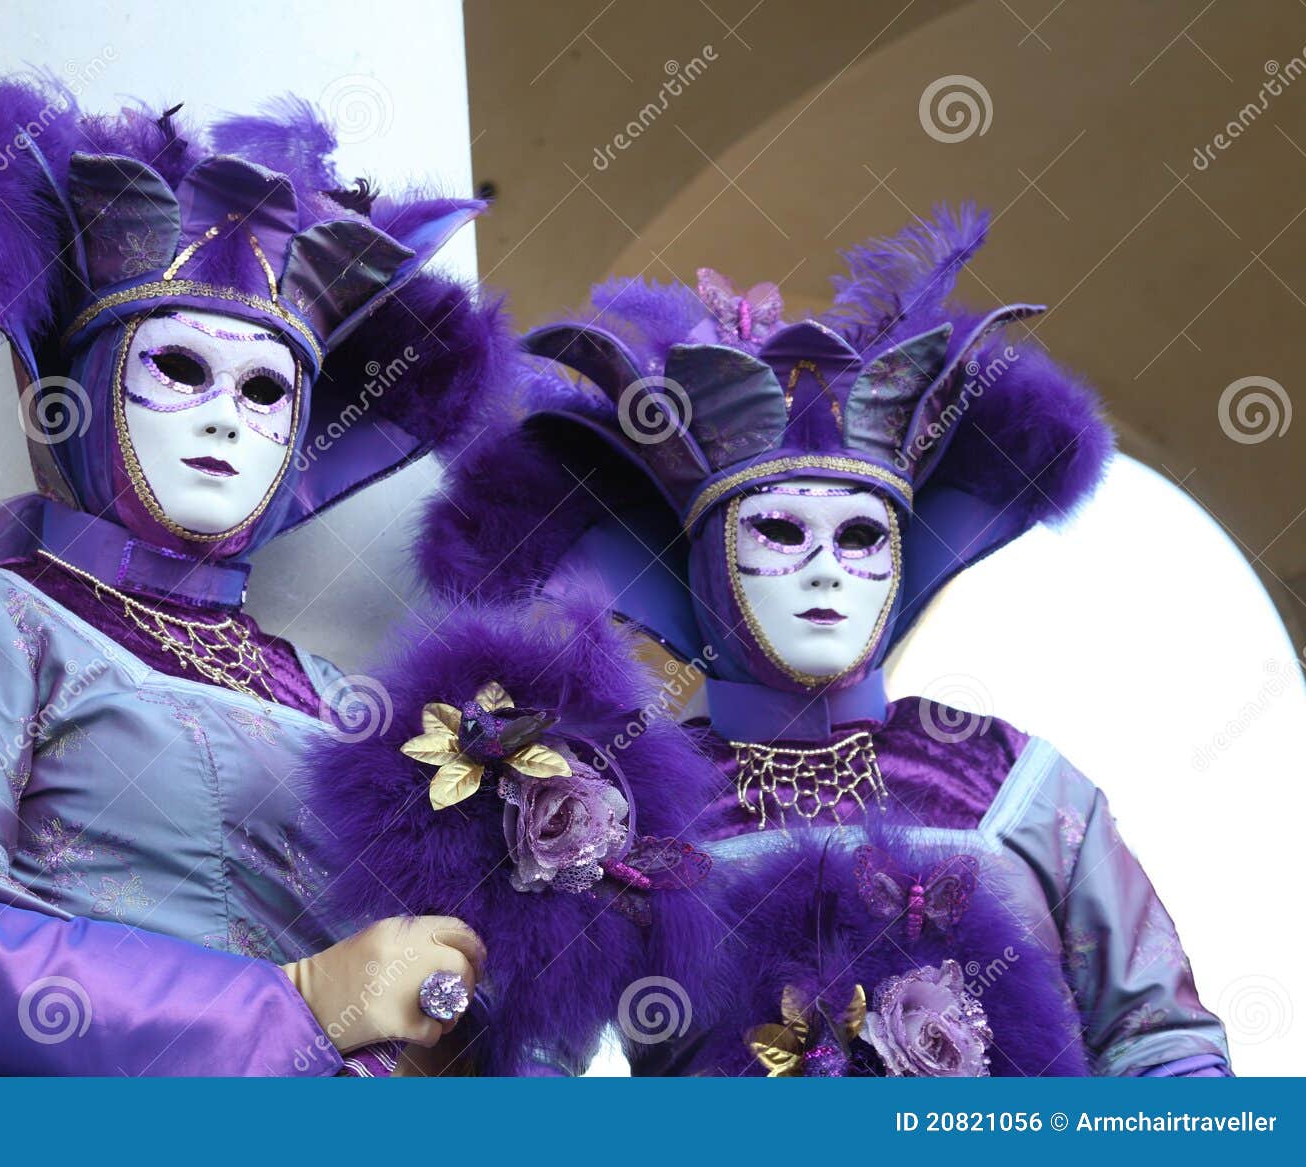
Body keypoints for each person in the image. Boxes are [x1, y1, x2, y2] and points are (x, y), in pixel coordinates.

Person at [0, 69, 507, 1077]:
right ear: (85, 391)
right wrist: (289, 1006)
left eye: (265, 389)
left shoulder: (345, 698)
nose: (223, 416)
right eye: (179, 369)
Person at [415, 207, 1230, 1076]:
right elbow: (524, 1060)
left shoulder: (1009, 778)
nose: (824, 571)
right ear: (705, 565)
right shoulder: (621, 808)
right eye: (776, 530)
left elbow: (1158, 1034)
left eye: (859, 537)